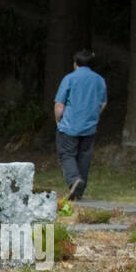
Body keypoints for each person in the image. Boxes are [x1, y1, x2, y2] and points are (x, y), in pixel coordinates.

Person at [53, 49, 107, 200]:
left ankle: (73, 180)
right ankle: (78, 192)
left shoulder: (69, 79)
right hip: (89, 127)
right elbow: (102, 103)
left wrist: (58, 120)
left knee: (66, 154)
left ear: (75, 64)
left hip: (69, 125)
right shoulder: (99, 80)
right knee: (84, 157)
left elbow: (59, 105)